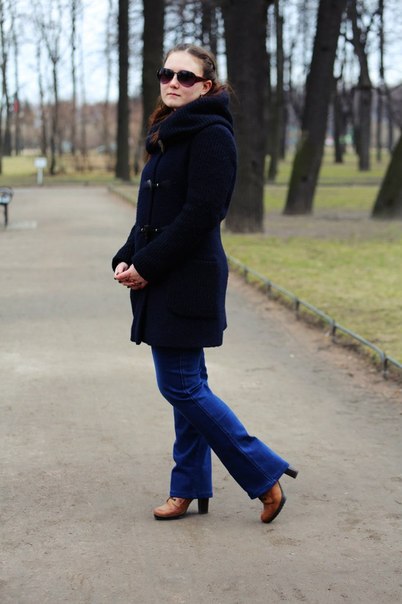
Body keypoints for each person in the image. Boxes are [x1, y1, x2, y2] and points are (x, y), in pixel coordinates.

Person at [112, 43, 298, 523]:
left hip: (186, 280)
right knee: (189, 387)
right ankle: (189, 485)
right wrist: (128, 254)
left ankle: (263, 473)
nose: (173, 82)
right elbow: (152, 214)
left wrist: (148, 264)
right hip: (164, 274)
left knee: (180, 387)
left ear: (206, 86)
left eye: (186, 77)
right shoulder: (168, 132)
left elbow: (202, 214)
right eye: (167, 73)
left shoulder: (212, 135)